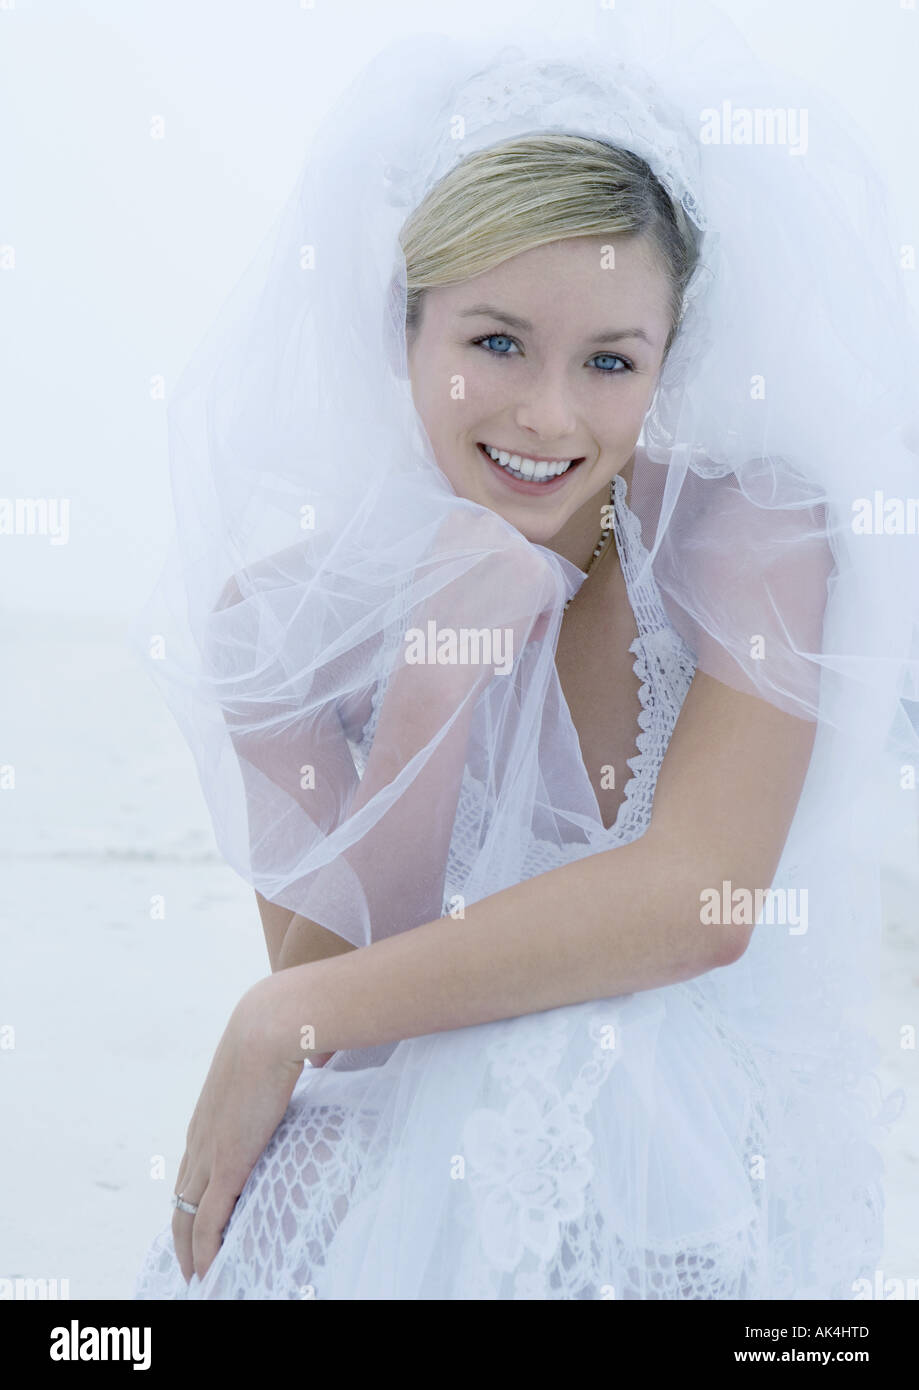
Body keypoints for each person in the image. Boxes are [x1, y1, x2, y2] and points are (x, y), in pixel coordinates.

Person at [130, 16, 919, 1300]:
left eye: (610, 361)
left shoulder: (745, 529)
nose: (549, 415)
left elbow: (697, 904)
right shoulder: (272, 629)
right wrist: (437, 682)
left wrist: (274, 1015)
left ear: (668, 362)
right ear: (405, 328)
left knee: (589, 1061)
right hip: (401, 1150)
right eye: (494, 341)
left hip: (674, 1163)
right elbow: (358, 1019)